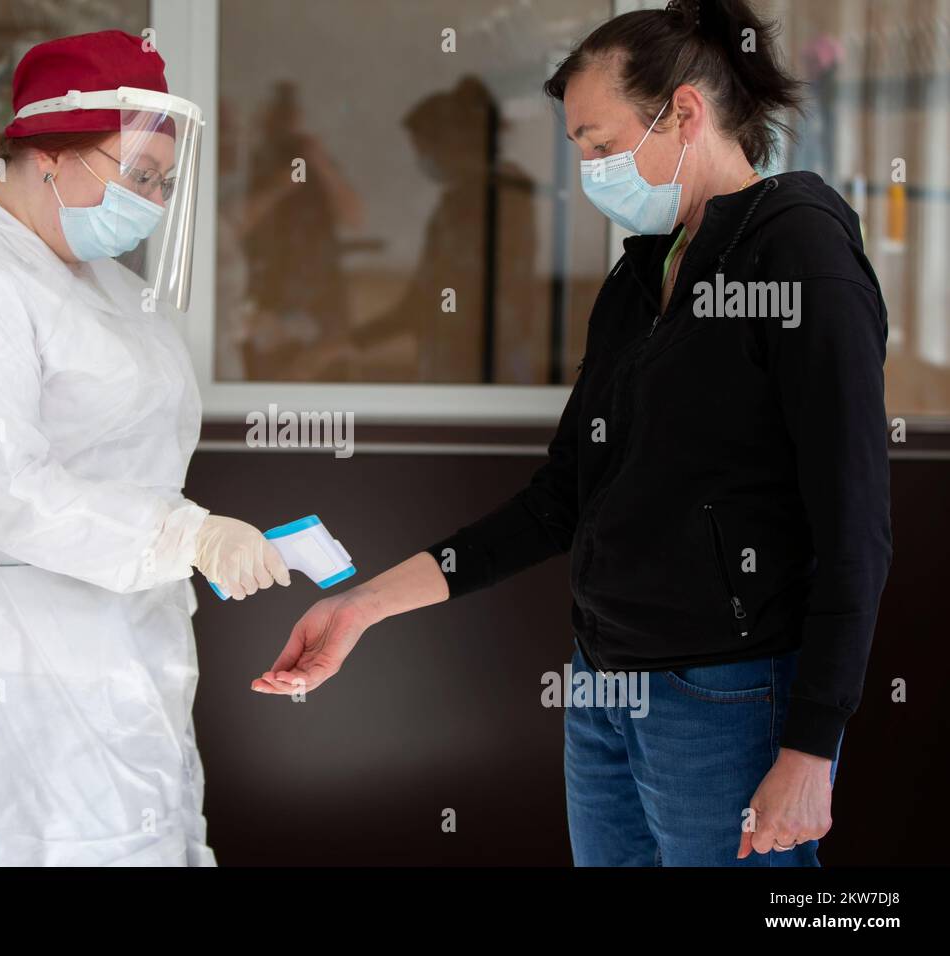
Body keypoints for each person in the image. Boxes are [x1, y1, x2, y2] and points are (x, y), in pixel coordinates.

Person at [255, 0, 892, 867]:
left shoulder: (800, 252)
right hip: (603, 684)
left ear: (686, 114)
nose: (589, 170)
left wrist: (813, 746)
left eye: (600, 144)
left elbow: (855, 522)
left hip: (729, 695)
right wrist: (363, 607)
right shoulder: (640, 277)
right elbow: (560, 501)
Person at [0, 30, 289, 867]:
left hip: (107, 636)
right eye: (135, 173)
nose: (148, 198)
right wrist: (186, 536)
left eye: (161, 181)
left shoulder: (93, 274)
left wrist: (181, 539)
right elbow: (0, 490)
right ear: (49, 155)